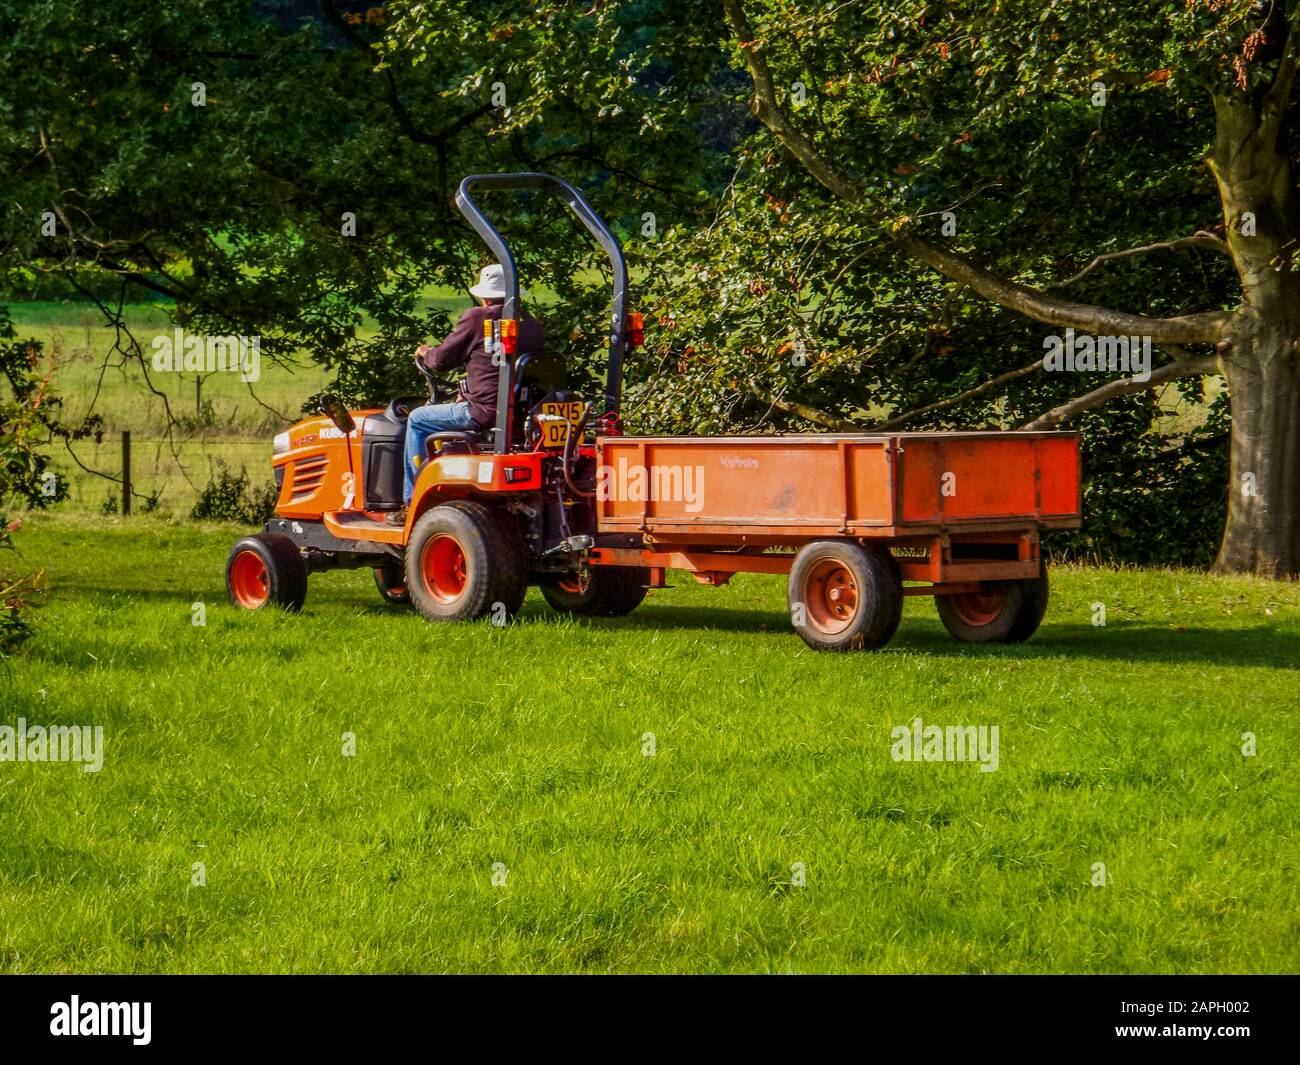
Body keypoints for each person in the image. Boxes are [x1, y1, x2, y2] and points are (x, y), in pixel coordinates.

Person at [391, 263, 544, 523]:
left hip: (482, 412)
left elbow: (441, 360)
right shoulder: (530, 324)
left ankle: (412, 501)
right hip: (519, 412)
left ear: (484, 295)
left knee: (417, 419)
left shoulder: (477, 318)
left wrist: (425, 353)